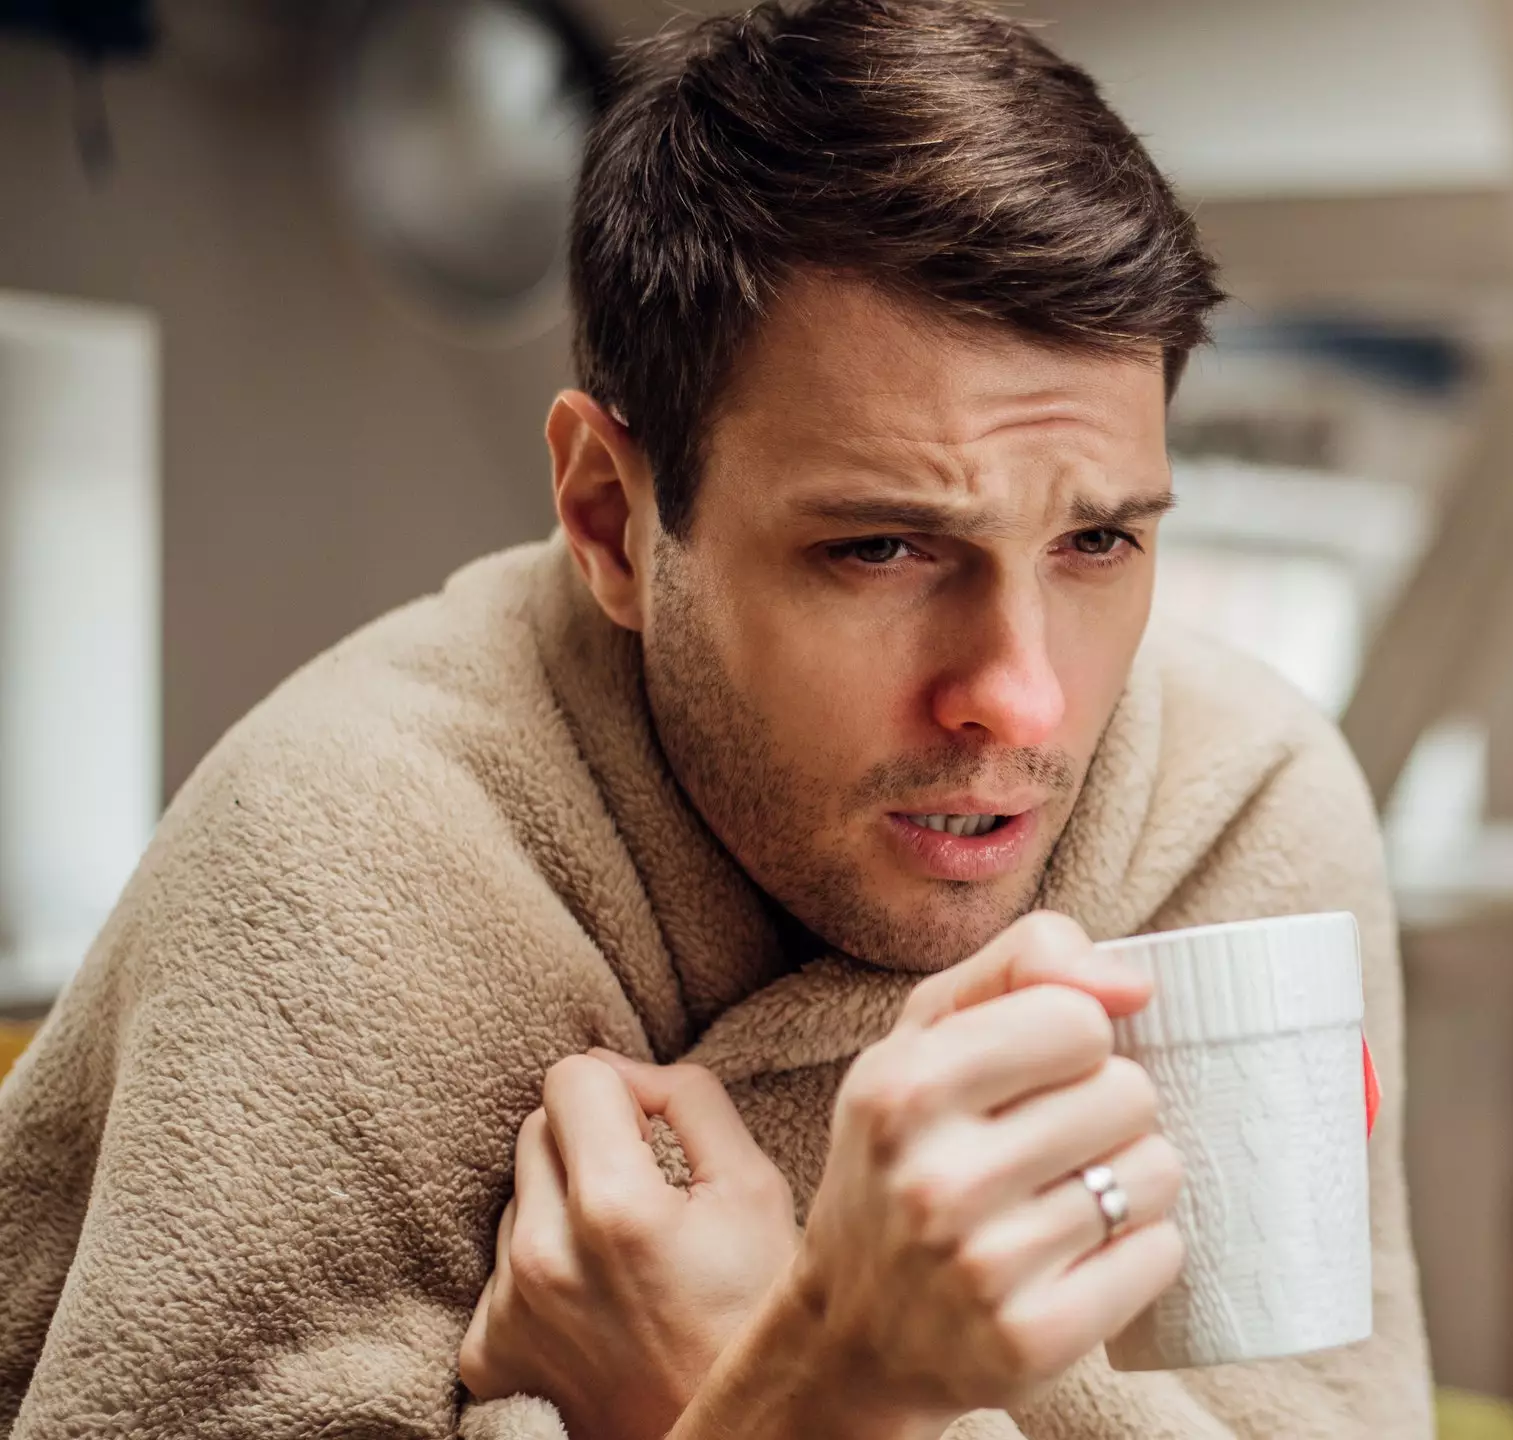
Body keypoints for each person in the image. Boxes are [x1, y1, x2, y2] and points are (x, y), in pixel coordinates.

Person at [0, 3, 1430, 1437]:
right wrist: (822, 1385)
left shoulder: (1239, 802)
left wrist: (755, 1386)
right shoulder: (334, 862)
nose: (1023, 697)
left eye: (1100, 544)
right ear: (611, 520)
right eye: (881, 549)